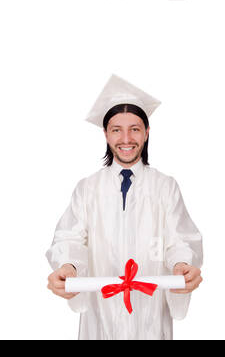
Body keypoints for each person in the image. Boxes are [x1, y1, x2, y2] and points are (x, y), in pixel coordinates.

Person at [46, 75, 203, 339]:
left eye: (135, 129)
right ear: (106, 134)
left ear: (147, 132)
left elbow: (180, 239)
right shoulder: (88, 188)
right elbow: (70, 238)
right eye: (117, 129)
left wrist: (181, 266)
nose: (126, 138)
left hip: (150, 313)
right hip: (101, 313)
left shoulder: (165, 187)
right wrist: (68, 267)